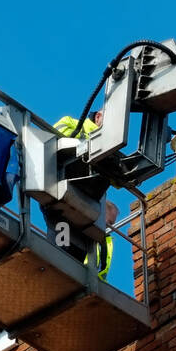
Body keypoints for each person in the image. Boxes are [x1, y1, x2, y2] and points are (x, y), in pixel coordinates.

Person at [46, 111, 114, 281]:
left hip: (81, 204)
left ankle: (69, 278)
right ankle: (56, 275)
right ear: (98, 116)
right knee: (61, 249)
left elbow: (118, 178)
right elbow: (57, 136)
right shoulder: (72, 123)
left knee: (75, 251)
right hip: (61, 195)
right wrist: (87, 144)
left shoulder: (107, 145)